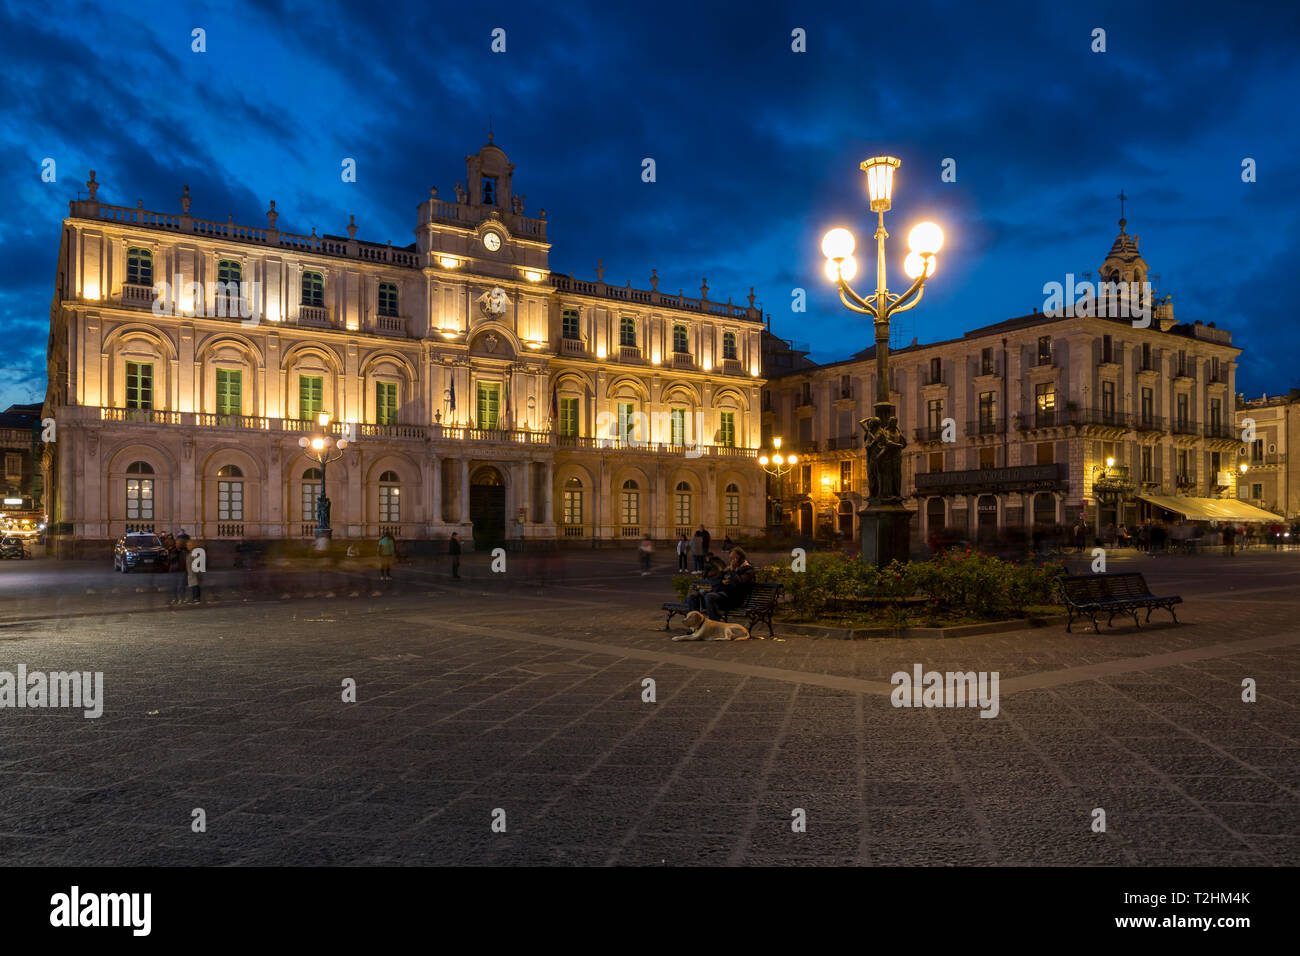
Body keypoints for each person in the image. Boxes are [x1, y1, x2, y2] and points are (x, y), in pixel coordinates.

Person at [701, 547, 756, 621]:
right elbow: (714, 581)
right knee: (694, 596)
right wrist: (722, 581)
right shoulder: (729, 569)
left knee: (709, 597)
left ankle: (715, 626)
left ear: (740, 558)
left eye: (733, 558)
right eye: (730, 558)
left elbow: (739, 584)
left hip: (733, 599)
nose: (730, 560)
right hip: (720, 595)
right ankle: (695, 628)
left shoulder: (748, 570)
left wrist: (733, 571)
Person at [186, 539, 202, 604]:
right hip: (191, 572)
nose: (187, 546)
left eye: (189, 545)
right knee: (193, 585)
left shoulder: (194, 553)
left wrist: (196, 571)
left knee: (195, 585)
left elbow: (197, 563)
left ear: (192, 545)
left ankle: (197, 598)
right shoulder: (191, 552)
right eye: (187, 545)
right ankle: (195, 598)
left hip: (194, 572)